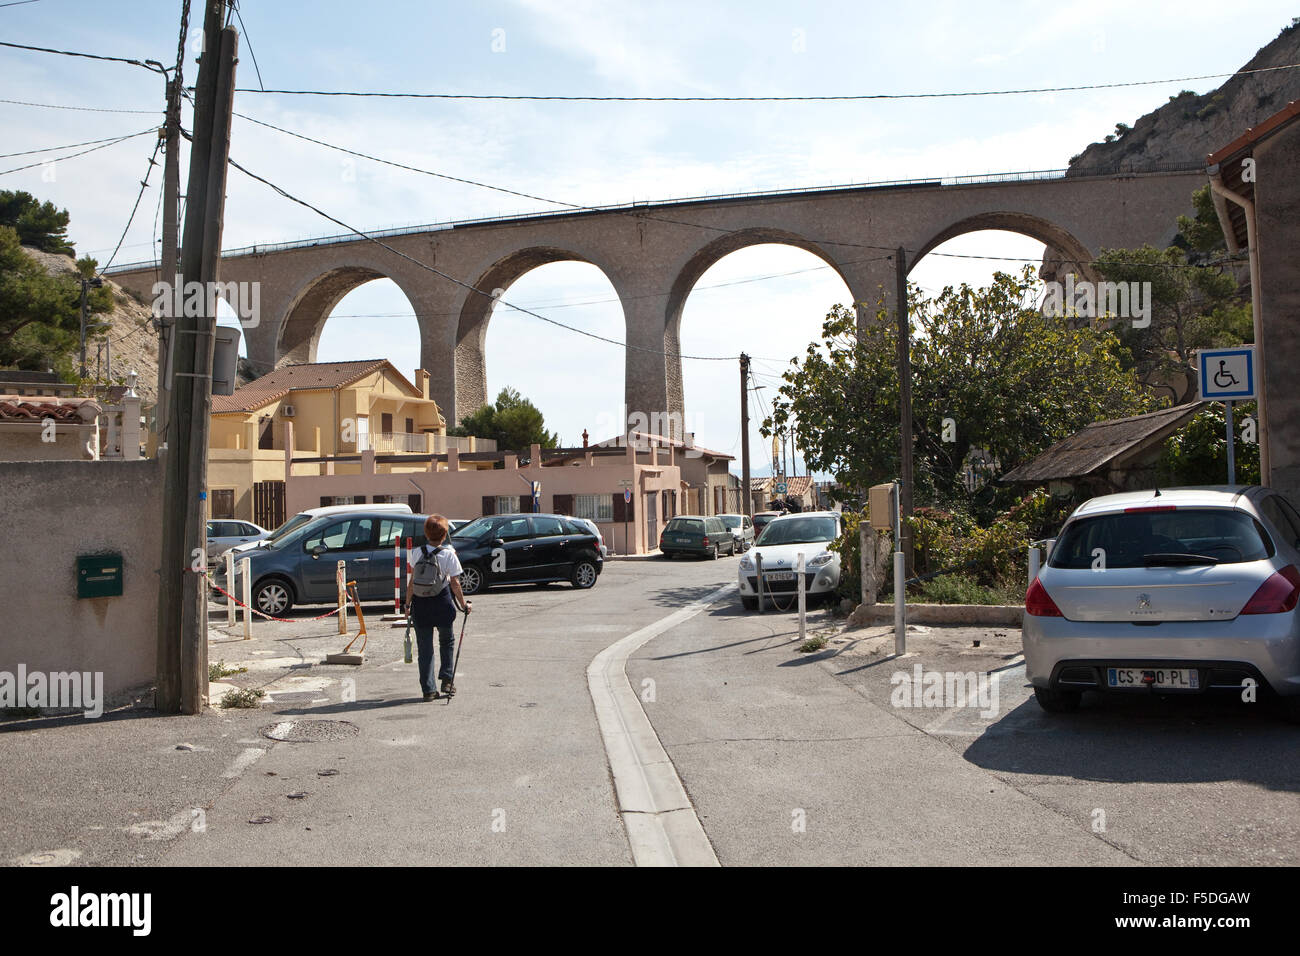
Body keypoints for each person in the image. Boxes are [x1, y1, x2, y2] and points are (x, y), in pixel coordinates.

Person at [404, 514, 472, 700]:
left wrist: (407, 603)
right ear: (444, 535)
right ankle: (447, 680)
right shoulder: (448, 554)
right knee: (447, 642)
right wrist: (464, 604)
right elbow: (455, 583)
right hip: (442, 603)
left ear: (426, 533)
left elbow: (412, 582)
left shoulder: (417, 553)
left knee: (425, 649)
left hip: (421, 604)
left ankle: (428, 689)